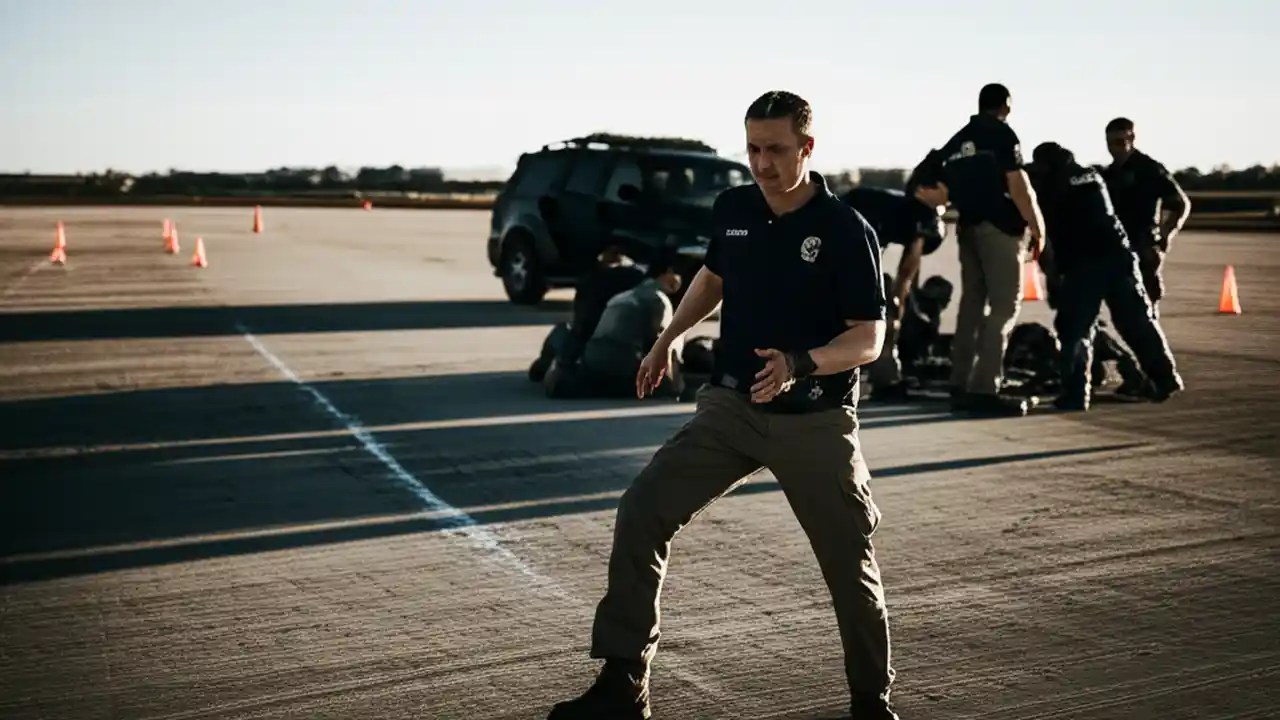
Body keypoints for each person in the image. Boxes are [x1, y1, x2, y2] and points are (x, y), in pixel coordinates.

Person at [548, 90, 900, 720]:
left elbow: (867, 339)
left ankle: (872, 704)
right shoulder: (734, 207)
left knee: (850, 564)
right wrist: (667, 338)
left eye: (776, 150)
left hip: (814, 421)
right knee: (642, 512)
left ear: (807, 148)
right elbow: (714, 277)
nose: (762, 164)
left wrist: (799, 363)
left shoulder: (845, 230)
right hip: (731, 411)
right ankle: (624, 685)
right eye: (754, 149)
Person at [1027, 141, 1183, 410]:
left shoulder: (1050, 186)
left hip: (1083, 263)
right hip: (1120, 255)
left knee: (1074, 330)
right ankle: (1165, 377)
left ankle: (1076, 394)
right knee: (1137, 322)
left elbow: (1046, 236)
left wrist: (1053, 277)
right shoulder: (1092, 176)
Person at [932, 83, 1047, 417]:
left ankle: (960, 382)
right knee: (1004, 307)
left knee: (971, 306)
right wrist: (1038, 228)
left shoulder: (959, 139)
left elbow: (942, 182)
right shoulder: (1002, 134)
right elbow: (1019, 186)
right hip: (999, 229)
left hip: (967, 228)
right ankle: (985, 388)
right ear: (1006, 106)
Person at [841, 168, 948, 401]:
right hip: (850, 233)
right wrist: (898, 303)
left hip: (843, 225)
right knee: (884, 315)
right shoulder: (925, 222)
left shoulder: (897, 210)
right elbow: (907, 271)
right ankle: (886, 380)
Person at [543, 255, 686, 399]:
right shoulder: (656, 299)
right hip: (629, 367)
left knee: (563, 334)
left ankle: (551, 368)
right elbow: (661, 344)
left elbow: (582, 329)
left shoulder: (625, 291)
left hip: (597, 361)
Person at [1101, 117, 1192, 318]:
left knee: (1146, 307)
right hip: (1117, 245)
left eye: (1119, 142)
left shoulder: (1149, 169)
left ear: (1131, 138)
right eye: (1110, 144)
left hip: (1143, 244)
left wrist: (1166, 235)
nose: (1114, 149)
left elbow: (1180, 203)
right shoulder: (1110, 174)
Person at [529, 244, 645, 382]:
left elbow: (582, 326)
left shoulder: (594, 282)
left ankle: (547, 365)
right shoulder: (641, 282)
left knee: (563, 332)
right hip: (634, 351)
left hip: (597, 351)